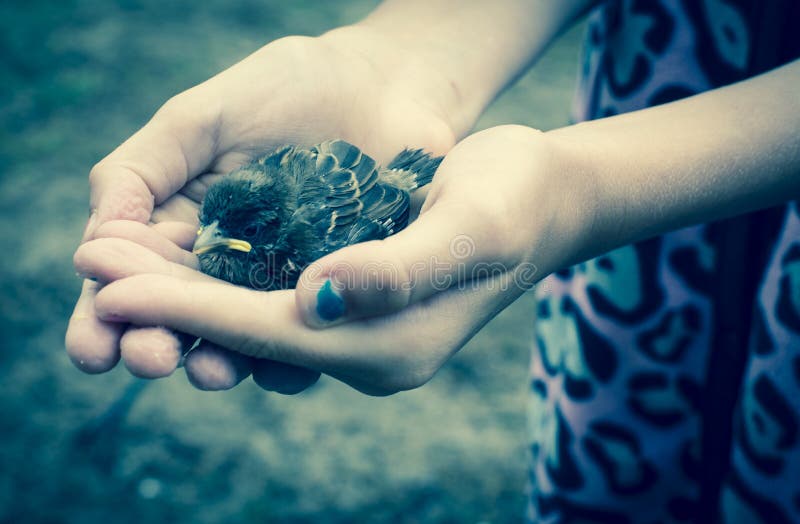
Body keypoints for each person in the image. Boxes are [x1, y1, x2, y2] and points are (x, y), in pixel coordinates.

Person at [66, 1, 800, 521]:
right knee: (628, 462)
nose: (210, 246)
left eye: (230, 235)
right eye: (218, 237)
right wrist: (382, 60)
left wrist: (576, 195)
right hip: (644, 272)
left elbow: (352, 199)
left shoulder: (299, 231)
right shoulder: (245, 226)